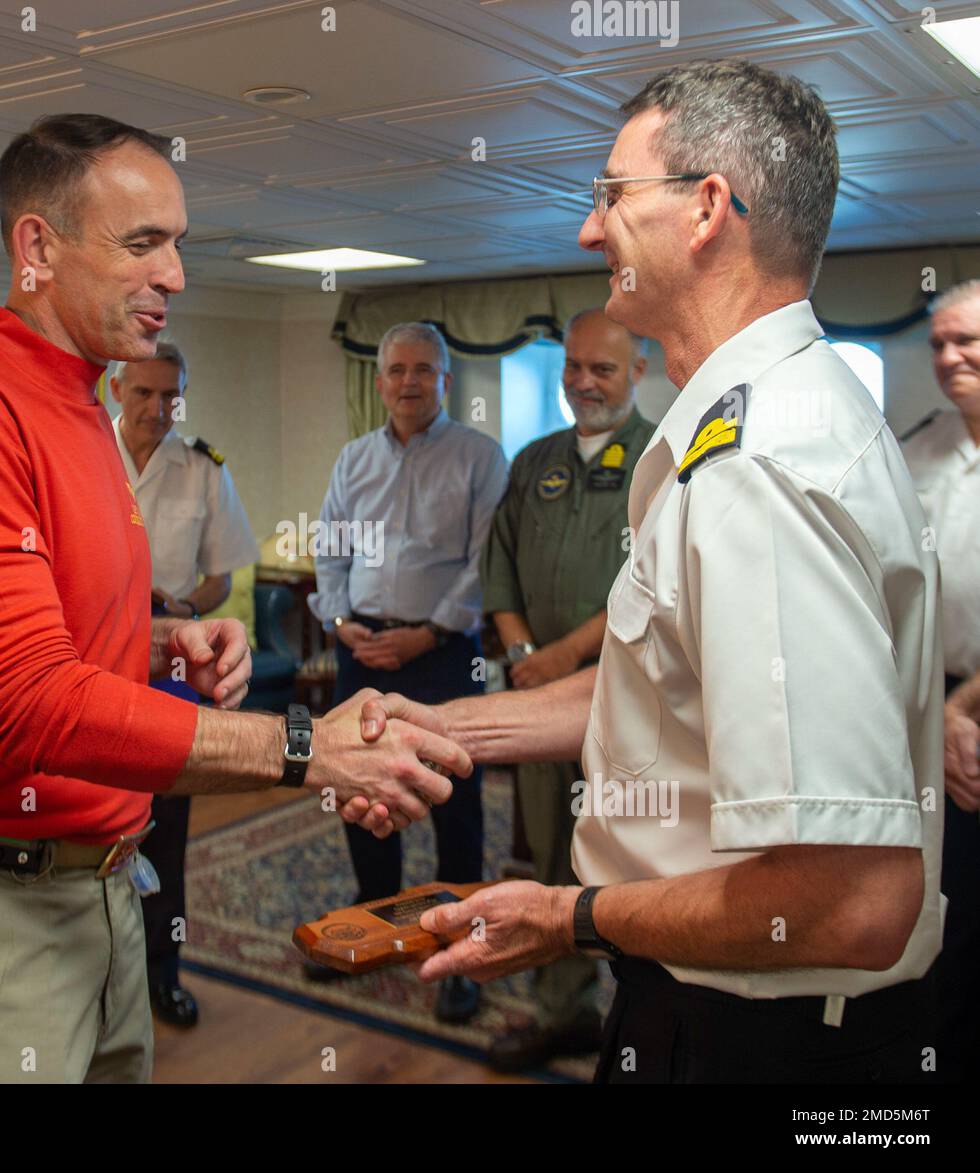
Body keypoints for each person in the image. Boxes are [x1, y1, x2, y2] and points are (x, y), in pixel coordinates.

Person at [0, 114, 468, 1084]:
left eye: (176, 244)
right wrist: (300, 746)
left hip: (97, 890)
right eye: (143, 244)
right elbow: (28, 700)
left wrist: (161, 642)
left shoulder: (82, 408)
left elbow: (61, 637)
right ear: (37, 248)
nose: (175, 275)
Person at [358, 59, 944, 1084]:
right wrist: (442, 731)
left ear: (708, 208)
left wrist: (569, 916)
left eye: (610, 196)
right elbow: (667, 684)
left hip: (757, 1036)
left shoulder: (761, 470)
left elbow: (852, 900)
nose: (589, 231)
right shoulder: (737, 428)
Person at [309, 320, 509, 1025]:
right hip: (360, 651)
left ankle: (465, 947)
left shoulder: (481, 457)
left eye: (424, 370)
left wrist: (426, 634)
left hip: (444, 654)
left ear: (446, 381)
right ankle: (377, 927)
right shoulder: (354, 458)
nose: (408, 382)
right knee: (362, 795)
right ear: (380, 379)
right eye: (396, 370)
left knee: (454, 802)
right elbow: (328, 552)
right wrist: (338, 623)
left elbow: (487, 563)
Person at [479, 307, 654, 1071]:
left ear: (639, 372)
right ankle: (564, 1008)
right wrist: (523, 650)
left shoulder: (666, 461)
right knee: (550, 851)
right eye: (573, 367)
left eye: (603, 369)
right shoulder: (535, 459)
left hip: (629, 707)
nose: (583, 382)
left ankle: (647, 1009)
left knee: (634, 858)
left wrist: (563, 657)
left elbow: (646, 586)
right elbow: (501, 563)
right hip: (539, 697)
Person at [109, 340, 260, 1027]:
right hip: (93, 661)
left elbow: (222, 574)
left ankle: (162, 973)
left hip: (169, 663)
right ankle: (97, 980)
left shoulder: (201, 469)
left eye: (170, 394)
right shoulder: (83, 452)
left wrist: (185, 611)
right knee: (91, 820)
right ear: (116, 388)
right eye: (143, 392)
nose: (157, 407)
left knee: (164, 828)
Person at [899, 278, 980, 1082]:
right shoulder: (919, 447)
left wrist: (962, 705)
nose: (951, 357)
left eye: (969, 342)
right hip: (931, 702)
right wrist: (941, 710)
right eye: (939, 343)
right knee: (945, 899)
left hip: (964, 703)